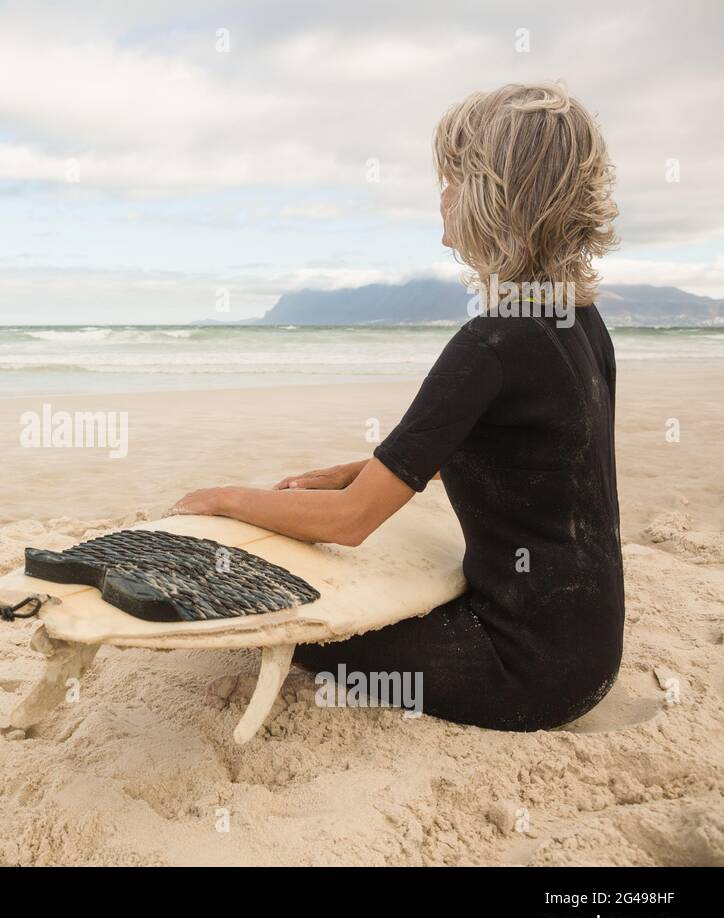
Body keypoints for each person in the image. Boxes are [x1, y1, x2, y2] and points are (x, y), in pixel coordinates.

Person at [169, 83, 622, 731]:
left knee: (305, 633)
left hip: (522, 667)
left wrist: (221, 499)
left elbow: (352, 523)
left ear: (499, 196)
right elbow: (507, 450)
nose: (442, 194)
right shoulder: (579, 320)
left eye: (456, 177)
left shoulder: (489, 343)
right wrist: (342, 472)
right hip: (589, 646)